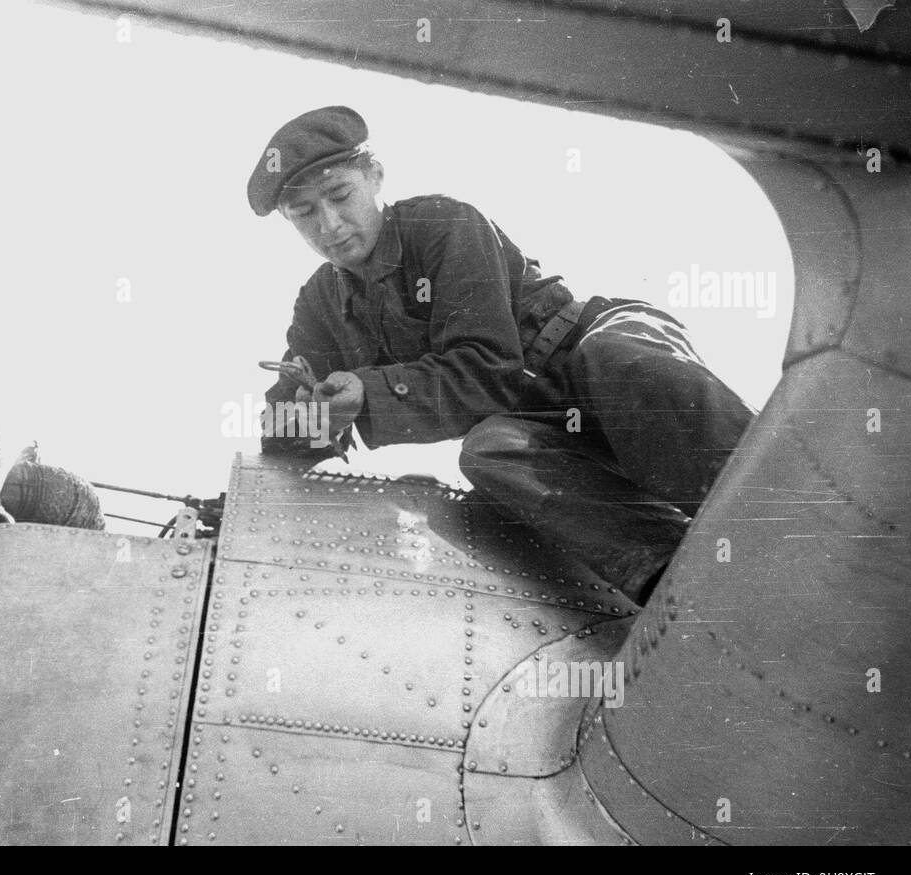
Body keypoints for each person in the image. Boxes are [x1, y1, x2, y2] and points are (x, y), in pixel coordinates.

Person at [250, 105, 755, 602]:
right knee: (488, 450)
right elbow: (284, 427)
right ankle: (678, 580)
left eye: (340, 195)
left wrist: (368, 394)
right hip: (537, 420)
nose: (330, 224)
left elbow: (487, 370)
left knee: (616, 359)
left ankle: (776, 509)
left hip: (585, 345)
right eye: (305, 214)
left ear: (375, 176)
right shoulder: (318, 305)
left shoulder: (442, 222)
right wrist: (310, 419)